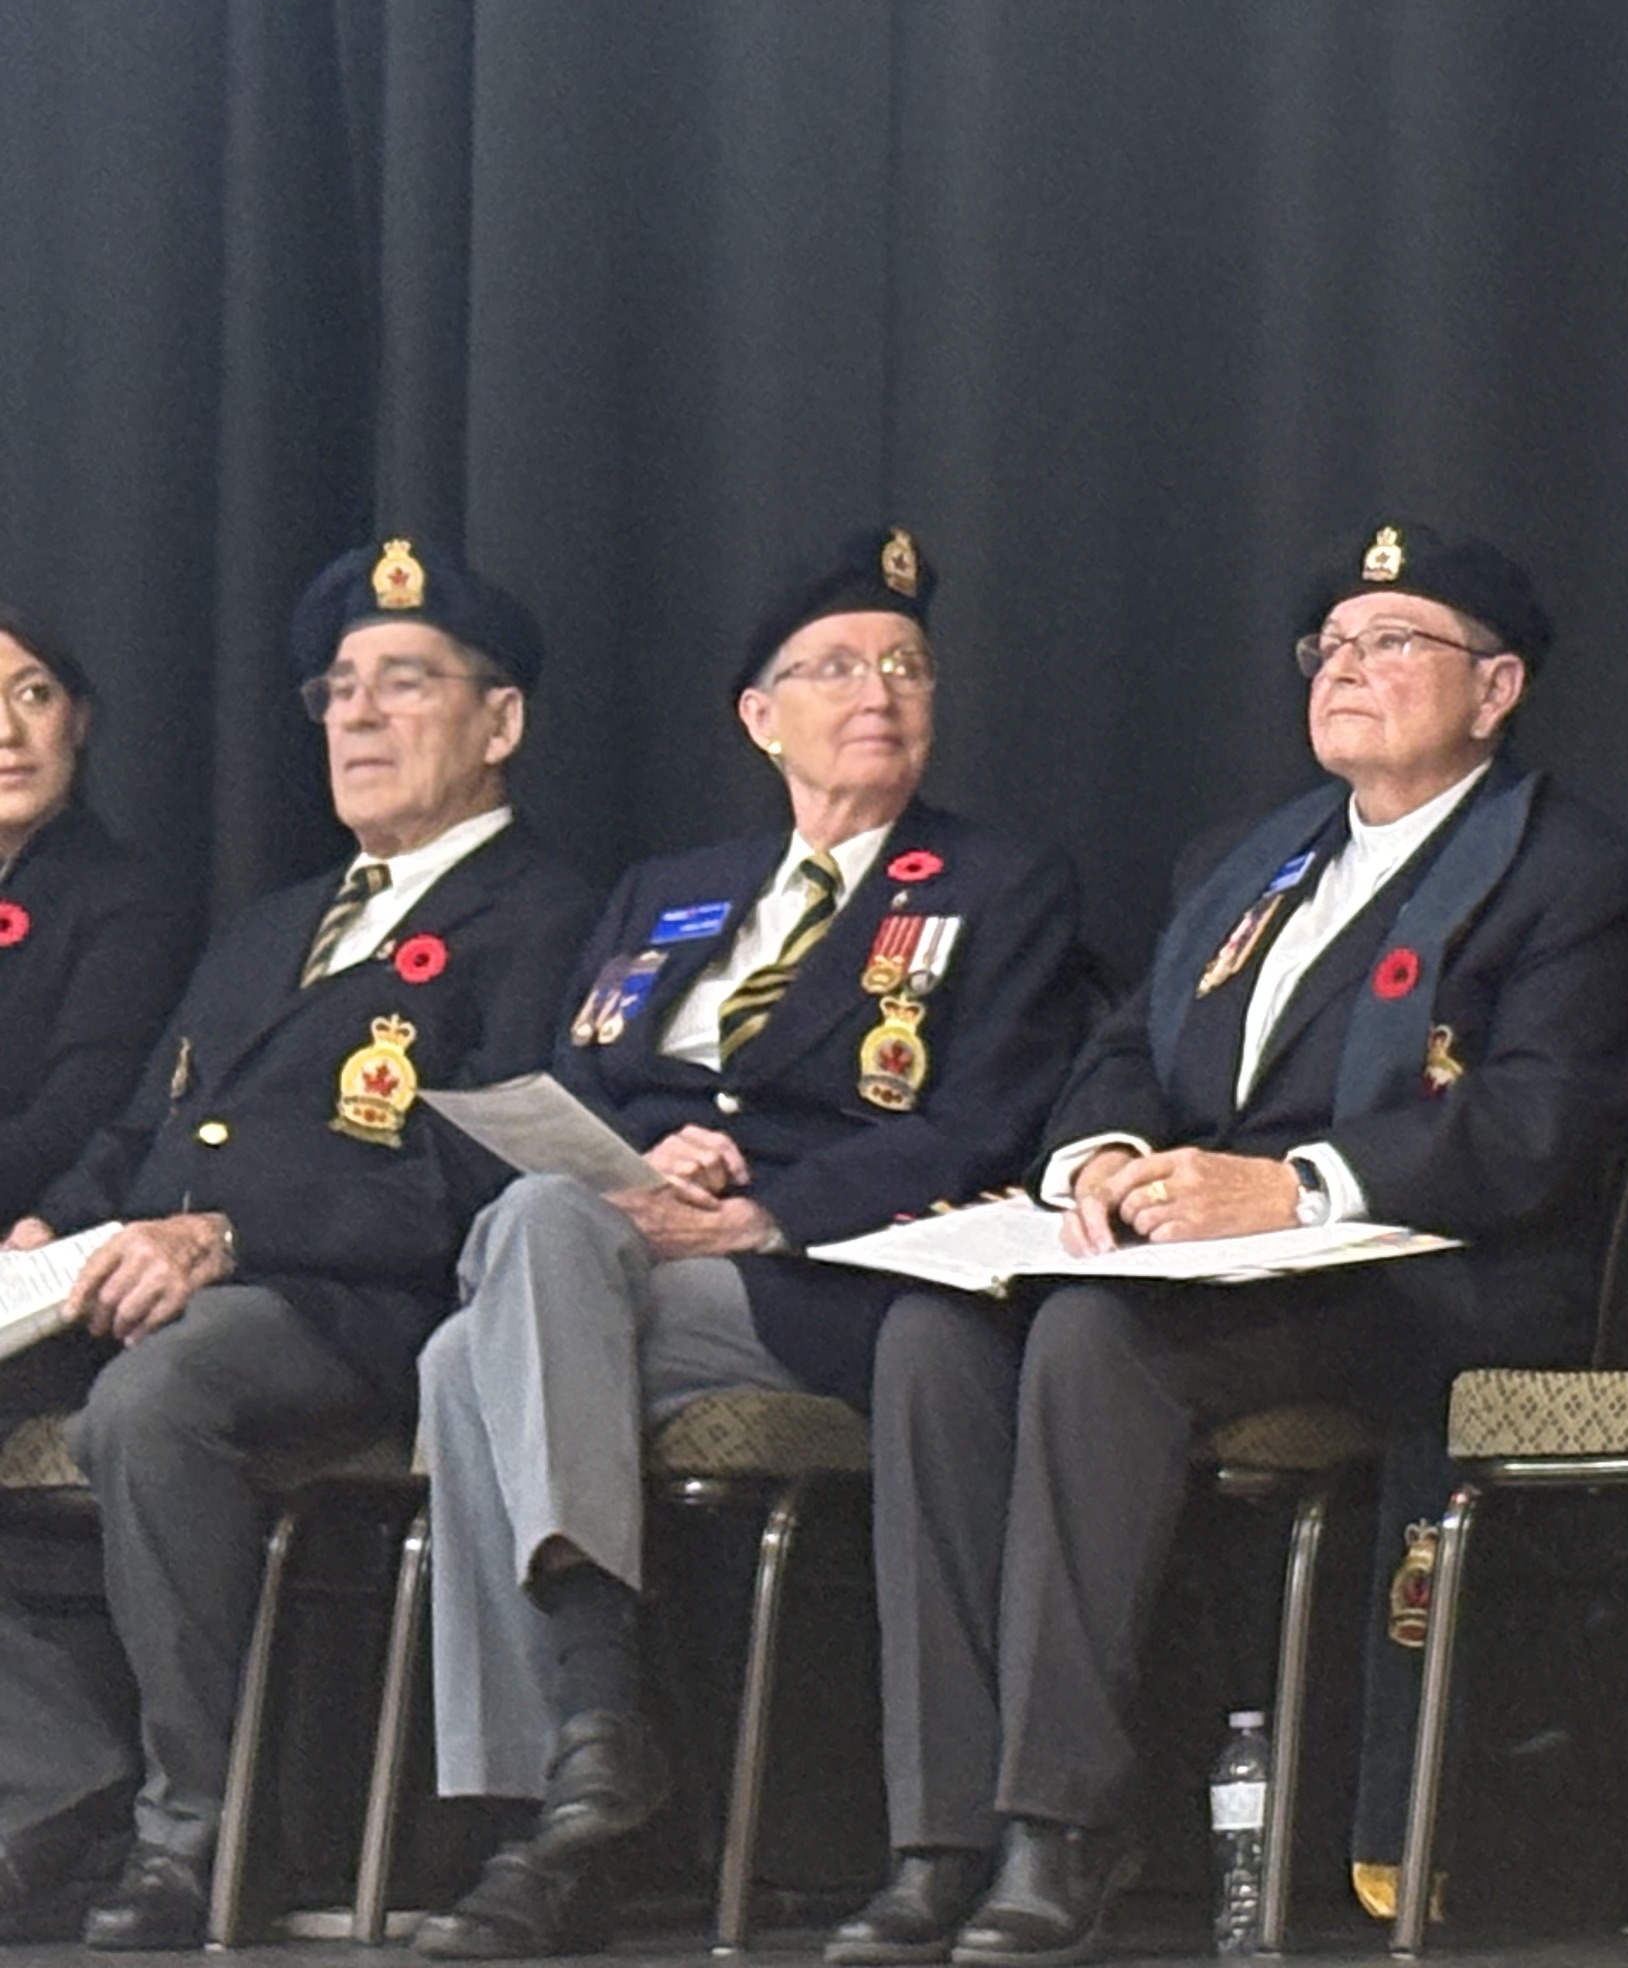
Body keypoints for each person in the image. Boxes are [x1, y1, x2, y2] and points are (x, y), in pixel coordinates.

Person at [856, 520, 1628, 1967]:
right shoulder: (1243, 859)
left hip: (1427, 1279)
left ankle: (1066, 1825)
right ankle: (940, 1836)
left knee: (1093, 1338)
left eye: (1394, 643)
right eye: (1332, 648)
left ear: (1496, 693)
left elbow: (1539, 1130)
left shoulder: (1569, 873)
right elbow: (1125, 1049)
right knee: (930, 1337)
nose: (1349, 668)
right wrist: (1105, 1159)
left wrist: (1291, 1187)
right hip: (1205, 1261)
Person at [408, 528, 1096, 1961]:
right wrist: (644, 1161)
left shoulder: (996, 883)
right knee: (518, 1261)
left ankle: (570, 1781)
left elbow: (984, 1122)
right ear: (757, 714)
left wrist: (772, 1207)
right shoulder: (672, 889)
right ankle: (583, 1771)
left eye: (906, 666)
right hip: (621, 1263)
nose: (881, 692)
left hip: (826, 1282)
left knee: (472, 1350)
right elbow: (573, 1084)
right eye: (836, 667)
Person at [0, 541, 595, 1948]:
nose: (359, 719)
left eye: (404, 685)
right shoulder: (272, 927)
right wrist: (46, 1230)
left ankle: (200, 1829)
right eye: (338, 691)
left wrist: (221, 1232)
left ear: (499, 724)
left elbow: (486, 1173)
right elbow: (144, 1126)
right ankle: (60, 1772)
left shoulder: (548, 913)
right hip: (147, 1271)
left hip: (361, 1311)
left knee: (160, 1397)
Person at [0, 609, 192, 1222]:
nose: (6, 730)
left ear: (77, 721)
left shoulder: (130, 901)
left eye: (33, 695)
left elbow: (74, 1121)